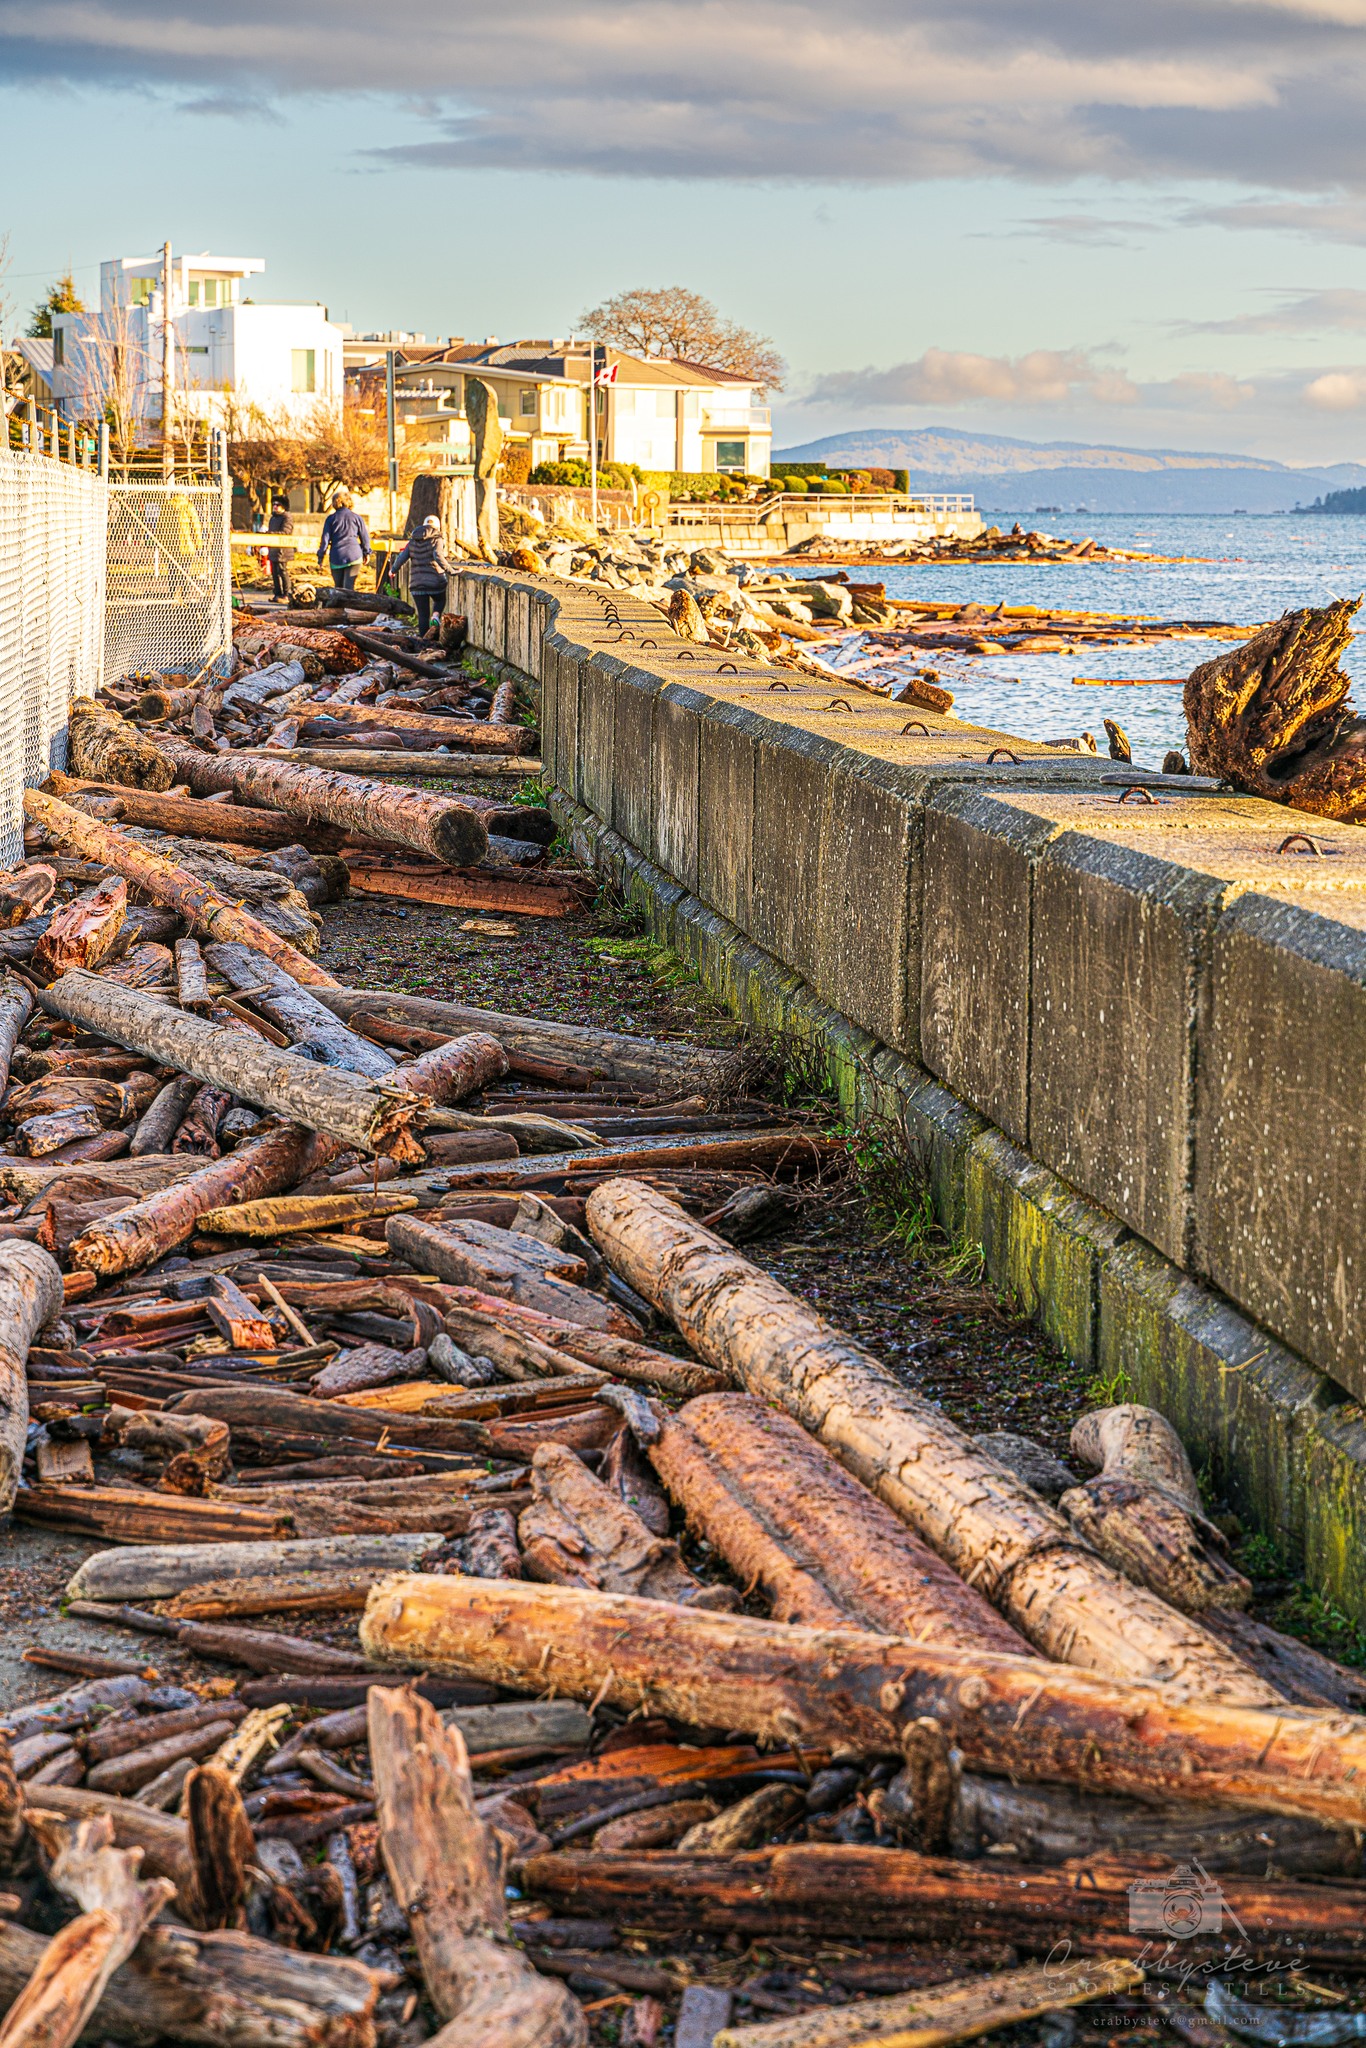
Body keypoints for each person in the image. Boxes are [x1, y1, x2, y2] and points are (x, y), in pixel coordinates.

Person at [391, 513, 454, 637]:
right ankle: (436, 615)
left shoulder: (413, 540)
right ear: (437, 527)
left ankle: (424, 642)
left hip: (416, 584)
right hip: (436, 582)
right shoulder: (437, 539)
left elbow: (402, 557)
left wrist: (393, 570)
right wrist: (451, 570)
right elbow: (438, 556)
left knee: (423, 614)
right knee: (440, 600)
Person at [317, 488, 371, 591]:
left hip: (337, 555)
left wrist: (320, 556)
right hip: (354, 555)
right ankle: (349, 606)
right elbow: (364, 537)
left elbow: (325, 540)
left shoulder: (331, 519)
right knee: (349, 587)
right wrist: (366, 552)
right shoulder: (357, 518)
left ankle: (339, 606)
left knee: (338, 588)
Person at [266, 494, 293, 603]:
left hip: (283, 550)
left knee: (282, 571)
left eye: (278, 504)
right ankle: (277, 594)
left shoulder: (287, 517)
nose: (275, 506)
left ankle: (287, 594)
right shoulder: (273, 518)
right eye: (274, 504)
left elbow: (286, 532)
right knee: (274, 572)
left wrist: (270, 534)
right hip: (273, 549)